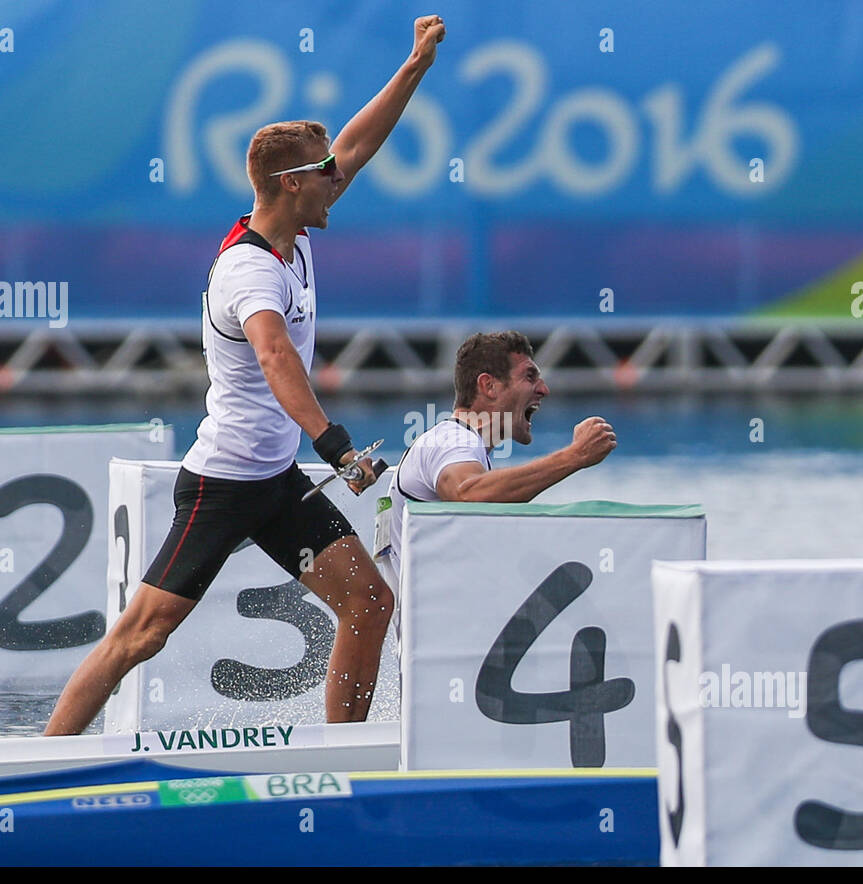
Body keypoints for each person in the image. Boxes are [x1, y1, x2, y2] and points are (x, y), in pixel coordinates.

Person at [44, 15, 447, 734]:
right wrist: (336, 446)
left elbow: (357, 143)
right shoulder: (247, 270)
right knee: (144, 632)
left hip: (276, 482)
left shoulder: (295, 228)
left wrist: (415, 65)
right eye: (325, 175)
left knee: (369, 603)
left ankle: (339, 760)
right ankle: (39, 761)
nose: (339, 180)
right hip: (225, 485)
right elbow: (274, 358)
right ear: (291, 185)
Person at [377, 331, 617, 593]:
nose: (544, 389)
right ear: (488, 386)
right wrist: (574, 456)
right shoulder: (451, 439)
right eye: (529, 376)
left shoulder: (466, 449)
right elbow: (468, 494)